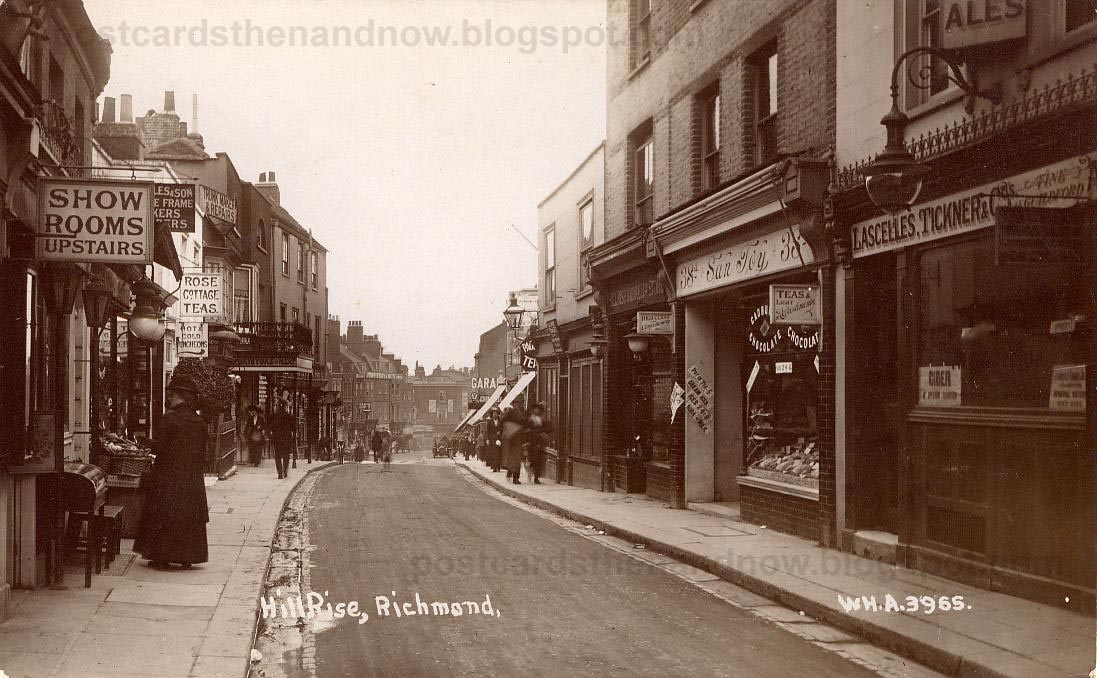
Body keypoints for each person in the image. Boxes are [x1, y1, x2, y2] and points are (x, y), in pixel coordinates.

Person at [133, 374, 209, 568]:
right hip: (191, 477)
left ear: (179, 397)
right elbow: (203, 453)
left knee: (165, 514)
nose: (170, 399)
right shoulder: (199, 422)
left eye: (172, 395)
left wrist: (146, 443)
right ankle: (188, 558)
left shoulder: (171, 419)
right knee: (188, 516)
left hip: (169, 475)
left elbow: (162, 448)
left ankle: (163, 557)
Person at [268, 399, 296, 479]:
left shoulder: (274, 416)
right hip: (287, 439)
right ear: (286, 406)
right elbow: (293, 428)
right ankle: (285, 471)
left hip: (276, 438)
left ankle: (280, 472)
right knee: (286, 455)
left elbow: (270, 427)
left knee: (277, 456)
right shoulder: (289, 416)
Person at [526, 402, 552, 485]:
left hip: (540, 442)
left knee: (538, 461)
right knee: (532, 460)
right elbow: (527, 430)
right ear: (533, 410)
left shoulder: (542, 420)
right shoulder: (530, 419)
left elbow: (549, 428)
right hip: (531, 442)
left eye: (538, 409)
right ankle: (529, 473)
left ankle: (536, 478)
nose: (536, 410)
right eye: (535, 409)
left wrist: (543, 432)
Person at [501, 405, 528, 484]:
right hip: (515, 442)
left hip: (516, 442)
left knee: (514, 460)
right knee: (515, 461)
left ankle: (512, 475)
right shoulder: (514, 420)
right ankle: (514, 477)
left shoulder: (508, 422)